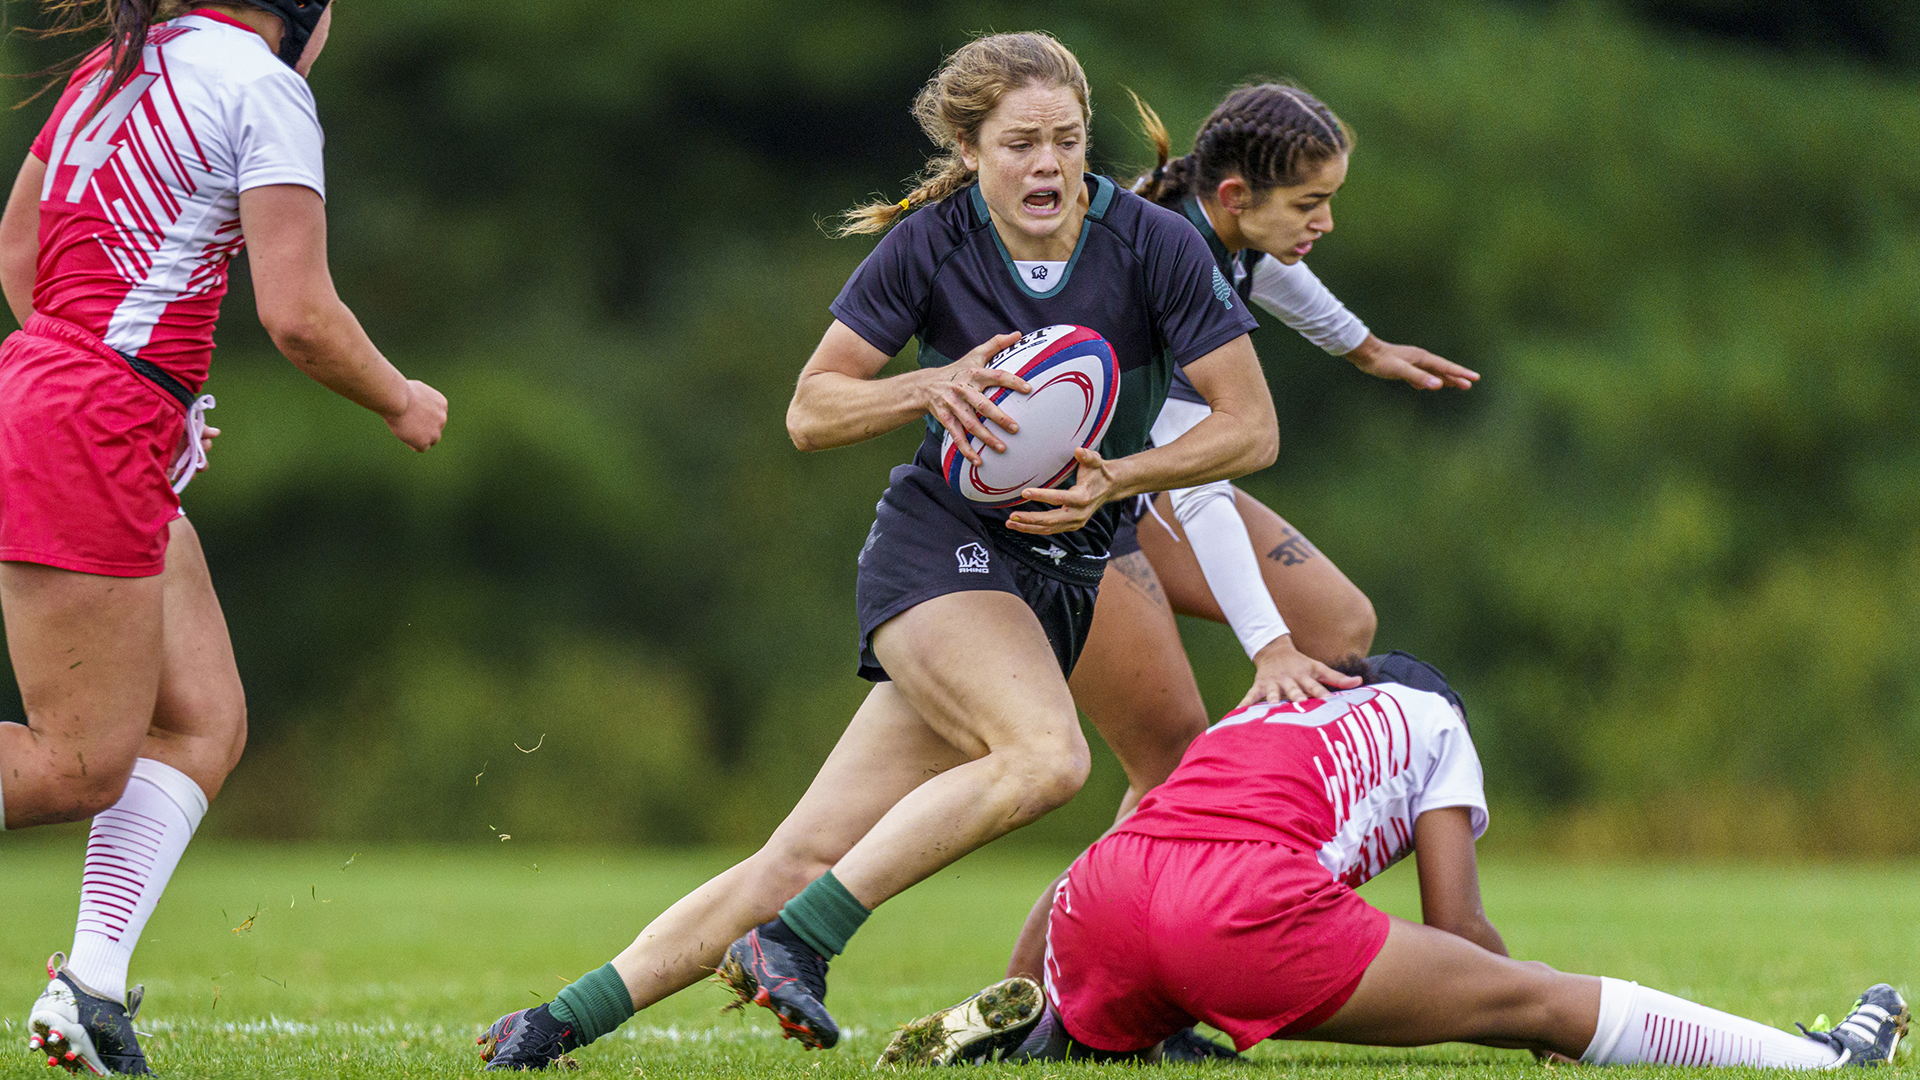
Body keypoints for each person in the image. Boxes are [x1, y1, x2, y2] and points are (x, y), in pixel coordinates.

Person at [475, 30, 1280, 1071]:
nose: (1047, 165)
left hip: (1075, 566)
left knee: (804, 853)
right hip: (941, 553)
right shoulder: (932, 244)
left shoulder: (1154, 247)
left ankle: (554, 1025)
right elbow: (811, 410)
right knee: (1046, 759)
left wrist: (1118, 479)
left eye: (1067, 142)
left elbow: (1250, 429)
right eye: (1021, 143)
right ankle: (799, 944)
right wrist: (925, 384)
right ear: (970, 145)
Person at [0, 1, 447, 1072]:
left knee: (203, 720)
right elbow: (299, 315)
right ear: (305, 13)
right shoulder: (264, 83)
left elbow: (19, 256)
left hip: (76, 400)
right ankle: (88, 990)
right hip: (92, 423)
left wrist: (127, 380)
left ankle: (90, 990)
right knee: (76, 763)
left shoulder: (123, 61)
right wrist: (400, 399)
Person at [1000, 81, 1481, 1032]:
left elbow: (1272, 268)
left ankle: (1239, 861)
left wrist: (1364, 347)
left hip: (1133, 488)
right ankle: (1033, 1002)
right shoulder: (1166, 263)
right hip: (1066, 522)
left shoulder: (1213, 233)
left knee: (1339, 626)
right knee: (1169, 756)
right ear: (1231, 196)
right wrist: (1265, 648)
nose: (1326, 222)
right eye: (1310, 203)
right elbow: (1203, 490)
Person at [880, 654, 1909, 1069]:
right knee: (1533, 1003)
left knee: (1125, 1000)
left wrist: (1040, 971)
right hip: (1234, 909)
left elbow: (1140, 830)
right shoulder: (1436, 725)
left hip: (1099, 893)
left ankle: (1033, 1017)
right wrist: (1512, 987)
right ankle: (1822, 1058)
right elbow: (1456, 925)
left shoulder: (1275, 701)